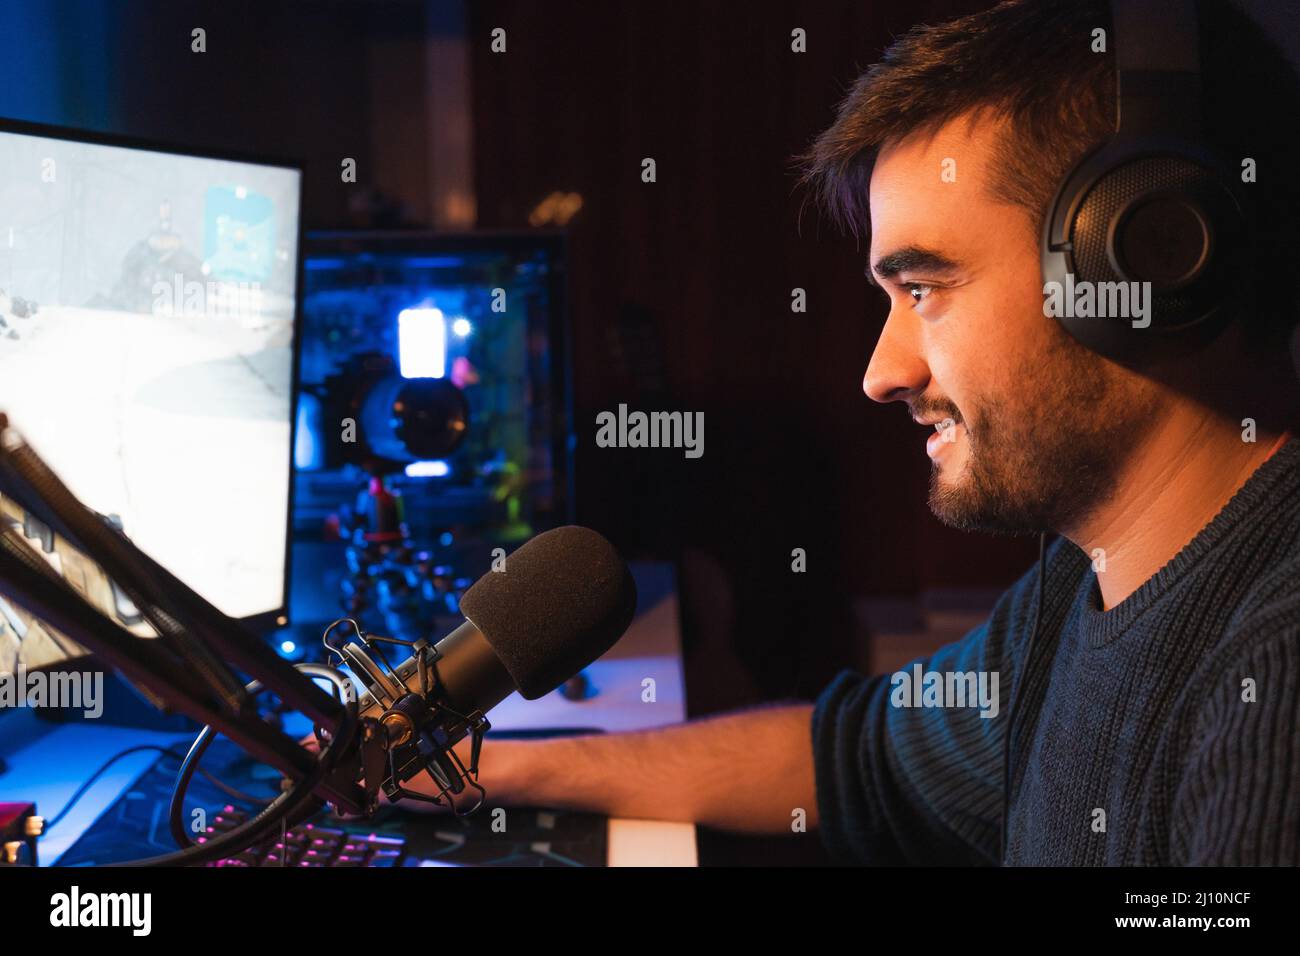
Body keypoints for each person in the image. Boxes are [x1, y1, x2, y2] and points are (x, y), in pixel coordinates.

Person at [396, 0, 1300, 864]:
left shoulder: (1274, 679)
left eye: (925, 290)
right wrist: (475, 770)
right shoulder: (1086, 574)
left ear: (1149, 257)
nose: (882, 374)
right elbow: (853, 760)